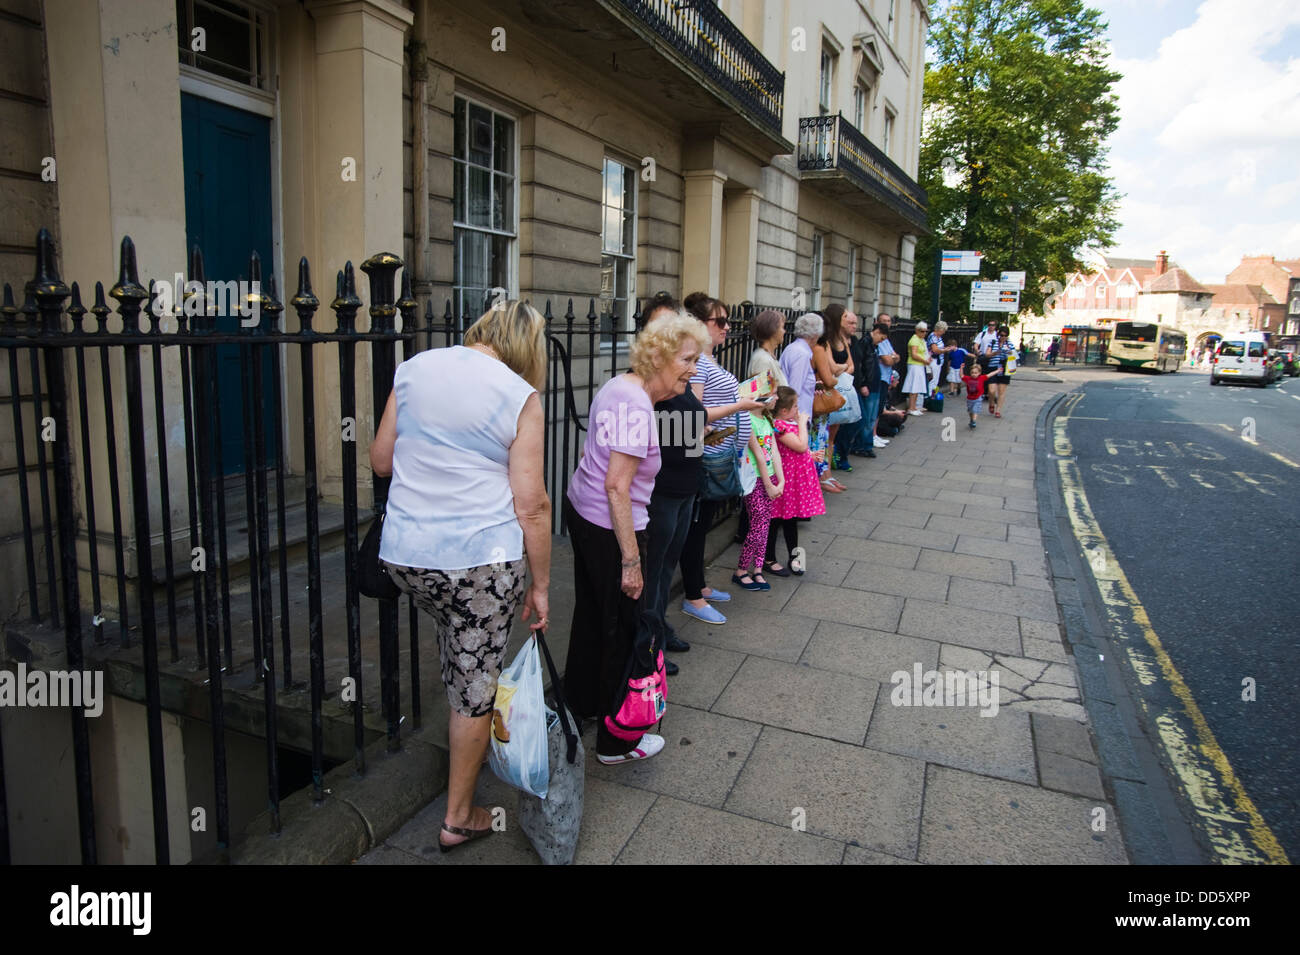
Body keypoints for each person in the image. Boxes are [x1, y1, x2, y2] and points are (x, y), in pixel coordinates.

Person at [371, 300, 550, 852]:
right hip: (478, 562)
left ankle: (459, 691)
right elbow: (533, 505)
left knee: (457, 645)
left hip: (406, 556)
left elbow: (380, 460)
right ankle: (458, 816)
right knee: (475, 686)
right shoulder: (520, 396)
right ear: (526, 346)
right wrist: (541, 584)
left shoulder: (415, 367)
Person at [563, 303, 706, 765]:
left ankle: (580, 705)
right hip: (611, 529)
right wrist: (631, 560)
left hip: (587, 518)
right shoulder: (634, 402)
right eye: (686, 358)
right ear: (659, 358)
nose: (692, 368)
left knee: (592, 618)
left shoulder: (620, 387)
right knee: (626, 630)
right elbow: (616, 486)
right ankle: (616, 741)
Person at [678, 293, 767, 626]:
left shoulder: (708, 359)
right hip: (707, 460)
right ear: (700, 324)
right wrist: (739, 408)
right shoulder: (697, 361)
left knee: (702, 526)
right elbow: (695, 415)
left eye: (728, 320)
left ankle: (698, 585)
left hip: (721, 456)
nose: (728, 327)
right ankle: (693, 598)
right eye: (720, 321)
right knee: (695, 529)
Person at [638, 294, 712, 679]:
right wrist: (694, 433)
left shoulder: (680, 380)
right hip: (662, 491)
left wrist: (703, 429)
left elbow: (689, 427)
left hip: (685, 487)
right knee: (653, 570)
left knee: (666, 567)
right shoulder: (648, 389)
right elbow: (659, 440)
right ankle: (647, 644)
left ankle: (659, 628)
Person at [766, 387, 824, 576]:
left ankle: (794, 557)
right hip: (786, 480)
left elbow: (801, 450)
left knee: (791, 519)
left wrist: (811, 456)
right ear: (784, 411)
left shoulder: (788, 423)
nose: (798, 410)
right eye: (795, 407)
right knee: (776, 519)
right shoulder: (780, 426)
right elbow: (800, 445)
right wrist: (802, 423)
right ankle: (769, 558)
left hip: (795, 479)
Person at [780, 312, 838, 490]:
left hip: (795, 416)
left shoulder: (796, 349)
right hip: (795, 418)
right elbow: (794, 389)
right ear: (816, 334)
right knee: (796, 462)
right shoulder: (802, 354)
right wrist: (796, 419)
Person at [733, 390, 782, 590]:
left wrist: (781, 480)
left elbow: (774, 452)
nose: (777, 398)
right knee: (759, 525)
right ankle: (741, 570)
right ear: (760, 397)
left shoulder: (766, 421)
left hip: (769, 478)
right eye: (773, 394)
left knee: (765, 525)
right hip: (755, 479)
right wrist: (770, 485)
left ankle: (758, 569)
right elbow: (759, 455)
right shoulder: (749, 421)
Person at [812, 305, 850, 490]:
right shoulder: (818, 348)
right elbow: (830, 376)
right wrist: (835, 378)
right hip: (818, 398)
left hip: (815, 398)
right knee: (819, 439)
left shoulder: (817, 346)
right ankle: (820, 477)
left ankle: (824, 475)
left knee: (822, 438)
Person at [836, 312, 879, 460]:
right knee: (847, 422)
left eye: (855, 323)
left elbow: (860, 364)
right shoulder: (835, 342)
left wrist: (863, 383)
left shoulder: (854, 340)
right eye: (850, 323)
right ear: (840, 322)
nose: (854, 326)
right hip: (841, 386)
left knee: (859, 420)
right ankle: (840, 453)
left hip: (854, 386)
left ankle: (842, 452)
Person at [819, 304, 855, 474]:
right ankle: (823, 475)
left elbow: (851, 365)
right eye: (844, 316)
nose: (847, 319)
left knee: (832, 434)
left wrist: (840, 369)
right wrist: (840, 369)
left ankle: (828, 474)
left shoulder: (841, 340)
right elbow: (832, 368)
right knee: (823, 434)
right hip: (827, 389)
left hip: (839, 387)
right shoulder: (825, 342)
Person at [872, 313, 898, 448]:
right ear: (877, 322)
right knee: (875, 409)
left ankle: (875, 434)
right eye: (884, 321)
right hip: (880, 377)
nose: (887, 323)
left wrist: (893, 357)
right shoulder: (880, 340)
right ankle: (872, 435)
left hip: (886, 377)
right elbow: (888, 360)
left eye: (888, 321)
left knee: (879, 407)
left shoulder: (886, 340)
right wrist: (892, 357)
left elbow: (897, 357)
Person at [748, 309, 789, 388]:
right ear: (773, 330)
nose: (784, 331)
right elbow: (762, 396)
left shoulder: (767, 356)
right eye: (782, 327)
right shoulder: (762, 359)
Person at [982, 325, 1015, 417]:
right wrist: (995, 353)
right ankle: (991, 402)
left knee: (1001, 391)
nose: (1003, 337)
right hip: (993, 367)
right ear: (998, 334)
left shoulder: (1009, 344)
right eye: (1001, 335)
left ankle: (998, 410)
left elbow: (1014, 356)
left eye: (1005, 335)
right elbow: (987, 354)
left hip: (1005, 368)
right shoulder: (992, 342)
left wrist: (1008, 352)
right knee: (991, 390)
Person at [904, 321, 930, 415]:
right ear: (917, 331)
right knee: (913, 387)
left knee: (917, 386)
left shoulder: (920, 340)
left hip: (919, 365)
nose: (924, 333)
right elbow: (914, 354)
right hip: (914, 365)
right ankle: (911, 407)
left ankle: (914, 406)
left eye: (925, 331)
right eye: (922, 331)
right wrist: (924, 361)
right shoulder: (914, 340)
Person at [961, 358, 990, 430]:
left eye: (975, 373)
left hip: (978, 398)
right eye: (972, 372)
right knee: (970, 411)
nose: (974, 374)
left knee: (975, 410)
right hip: (970, 398)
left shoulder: (981, 378)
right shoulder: (968, 378)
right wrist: (961, 368)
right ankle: (971, 420)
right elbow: (961, 376)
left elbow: (989, 375)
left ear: (979, 373)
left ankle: (974, 421)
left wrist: (997, 371)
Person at [927, 321, 952, 396]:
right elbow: (935, 350)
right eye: (943, 330)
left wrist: (945, 348)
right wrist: (945, 350)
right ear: (939, 329)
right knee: (933, 380)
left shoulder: (938, 337)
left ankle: (933, 395)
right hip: (934, 360)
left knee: (935, 380)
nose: (944, 332)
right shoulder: (933, 337)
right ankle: (930, 396)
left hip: (938, 361)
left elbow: (939, 348)